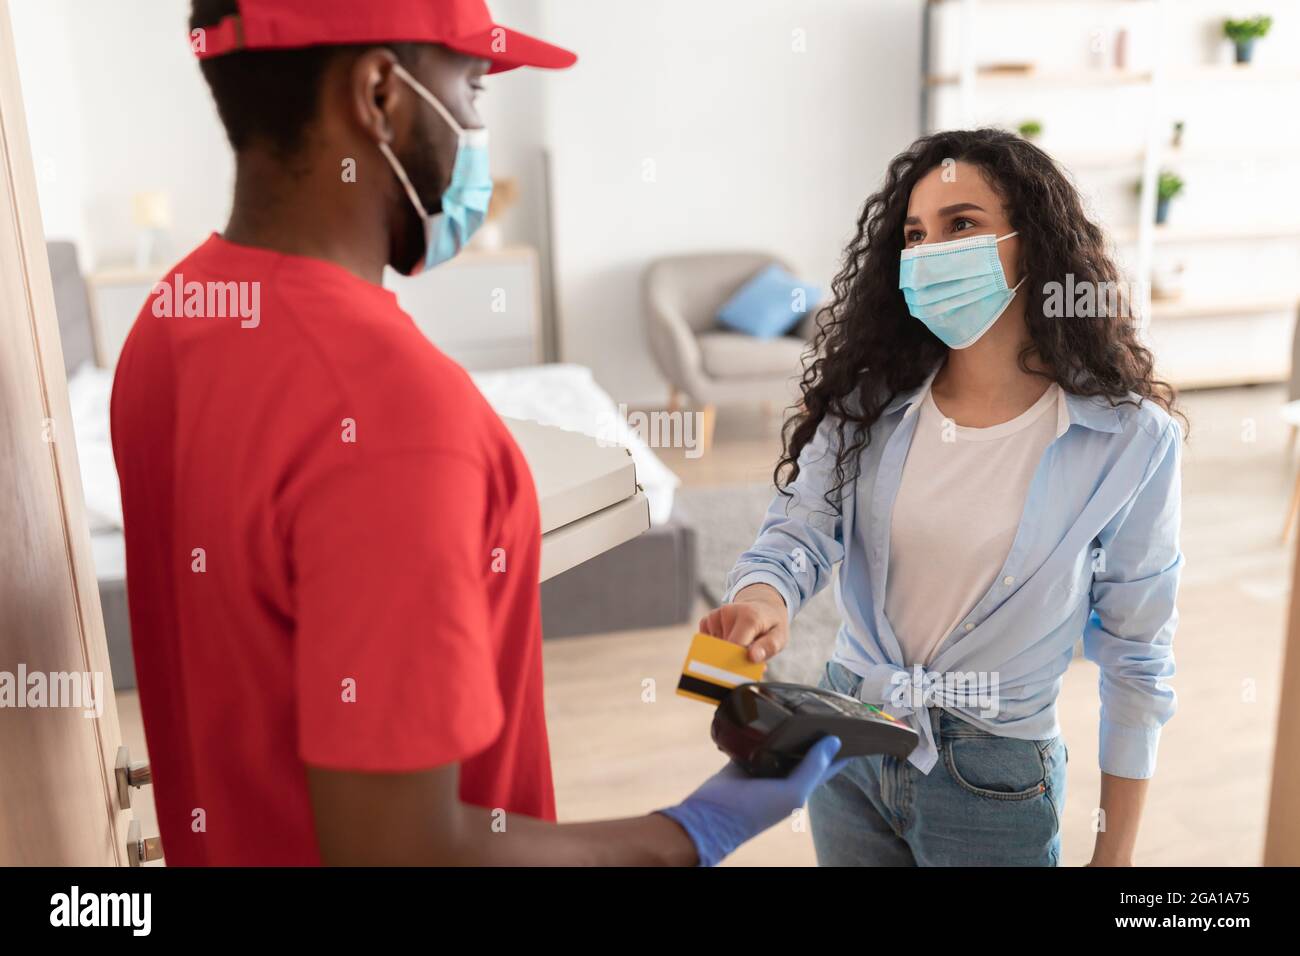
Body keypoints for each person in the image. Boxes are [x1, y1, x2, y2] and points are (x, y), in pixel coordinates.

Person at [110, 0, 842, 866]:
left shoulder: (172, 320)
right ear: (381, 92)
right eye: (474, 89)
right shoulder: (391, 409)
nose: (476, 131)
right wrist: (685, 835)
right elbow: (407, 851)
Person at [700, 128, 1183, 867]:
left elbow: (1137, 656)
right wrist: (763, 598)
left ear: (1038, 244)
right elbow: (799, 532)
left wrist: (1111, 857)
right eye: (916, 234)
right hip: (847, 736)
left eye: (962, 225)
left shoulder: (1130, 441)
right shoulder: (868, 401)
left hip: (993, 776)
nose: (932, 253)